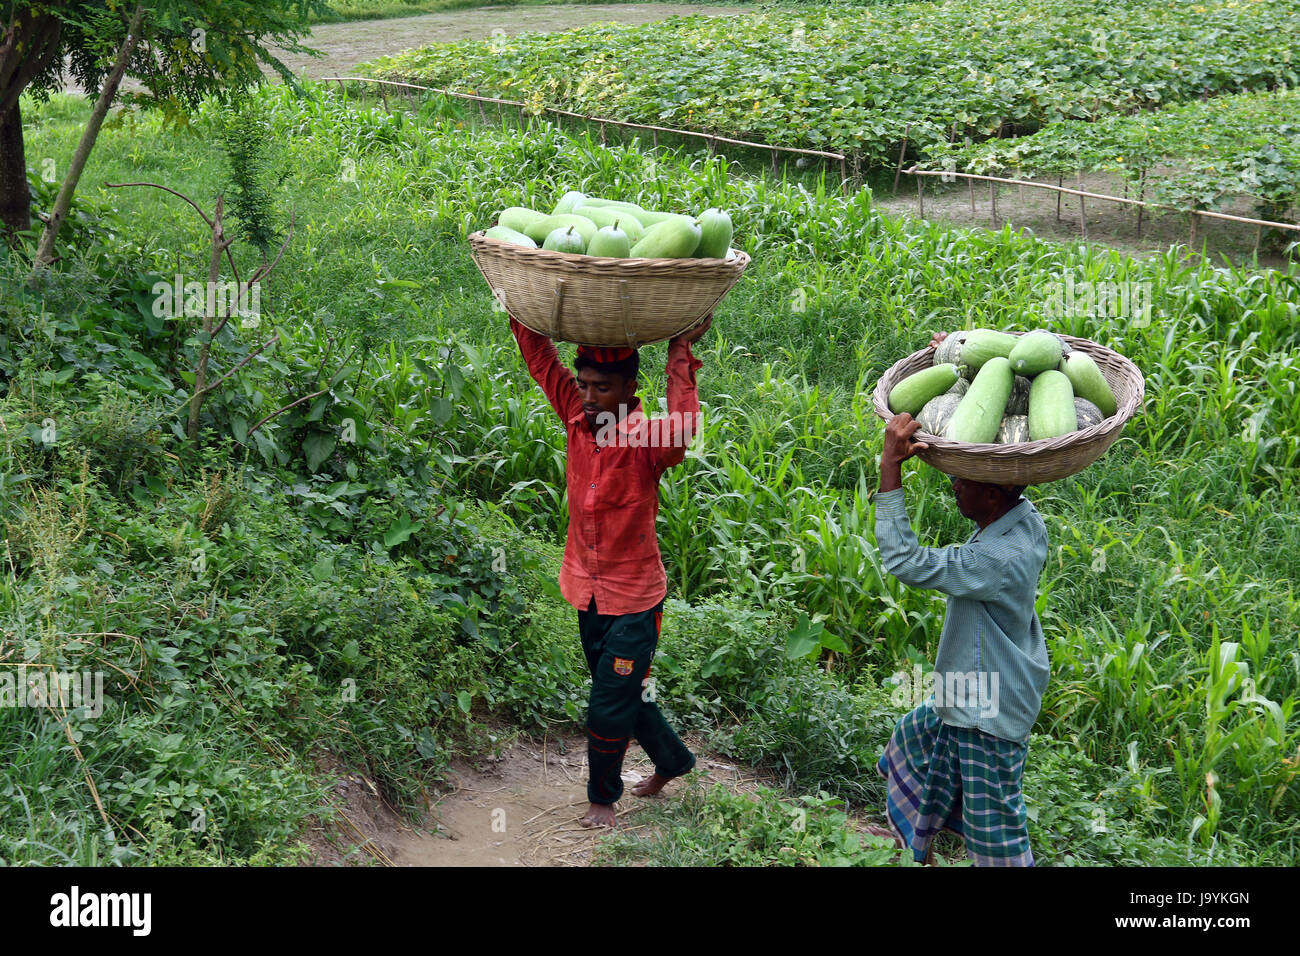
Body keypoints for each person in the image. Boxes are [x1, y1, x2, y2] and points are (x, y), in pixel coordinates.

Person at [508, 312, 711, 828]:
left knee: (607, 703)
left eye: (603, 388)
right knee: (626, 692)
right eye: (585, 386)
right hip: (586, 592)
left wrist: (680, 352)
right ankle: (673, 762)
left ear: (629, 388)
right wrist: (519, 303)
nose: (591, 396)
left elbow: (685, 428)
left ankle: (603, 796)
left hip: (636, 601)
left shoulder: (649, 440)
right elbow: (540, 361)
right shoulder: (576, 417)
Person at [871, 332, 1050, 865]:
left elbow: (906, 562)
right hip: (969, 688)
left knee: (997, 831)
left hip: (987, 710)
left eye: (963, 482)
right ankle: (917, 848)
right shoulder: (1024, 519)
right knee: (913, 742)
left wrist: (890, 469)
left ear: (993, 493)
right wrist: (959, 356)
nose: (954, 489)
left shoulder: (996, 558)